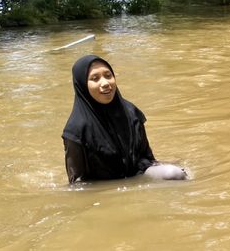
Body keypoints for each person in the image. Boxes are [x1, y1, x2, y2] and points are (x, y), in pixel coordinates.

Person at [61, 55, 187, 184]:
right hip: (106, 186)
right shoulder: (76, 129)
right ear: (82, 85)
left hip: (138, 173)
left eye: (108, 75)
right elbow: (77, 182)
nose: (105, 83)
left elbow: (147, 157)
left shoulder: (130, 112)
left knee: (175, 174)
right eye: (95, 78)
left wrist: (167, 168)